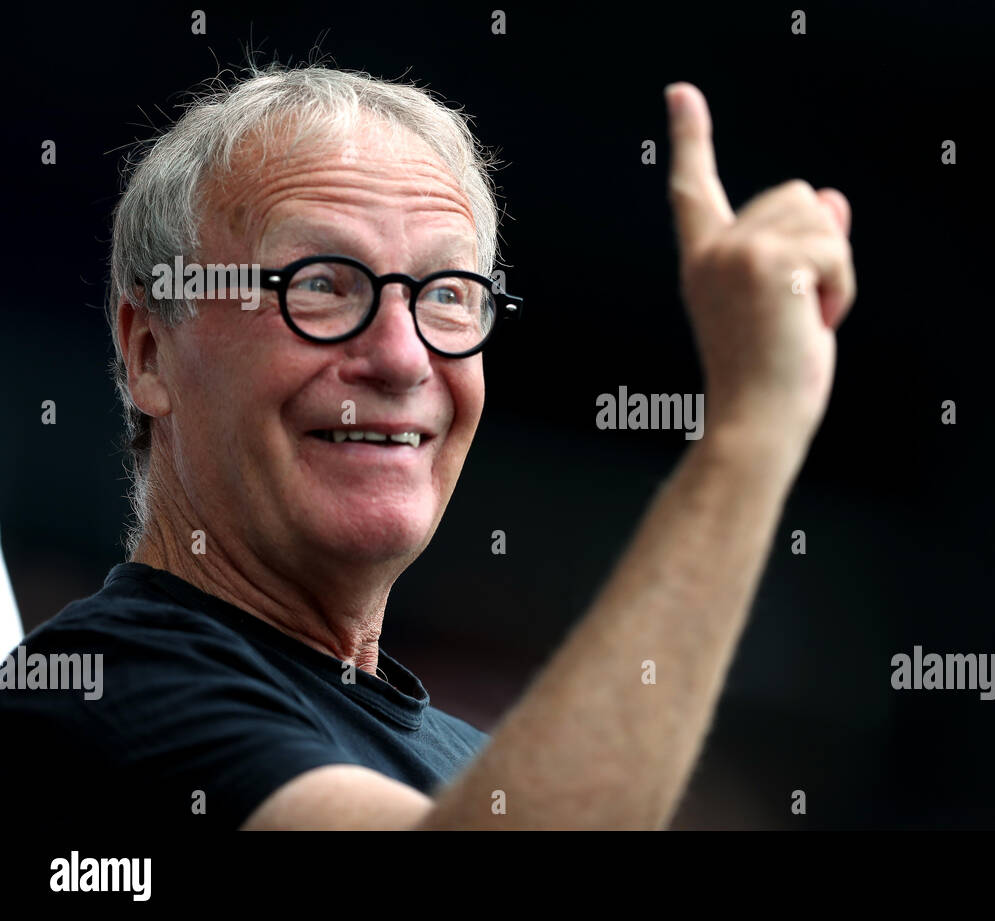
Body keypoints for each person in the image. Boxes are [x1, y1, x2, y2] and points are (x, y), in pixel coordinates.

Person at [0, 64, 855, 830]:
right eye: (322, 285)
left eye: (447, 293)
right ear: (150, 352)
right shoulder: (89, 694)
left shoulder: (473, 769)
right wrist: (749, 427)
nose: (404, 356)